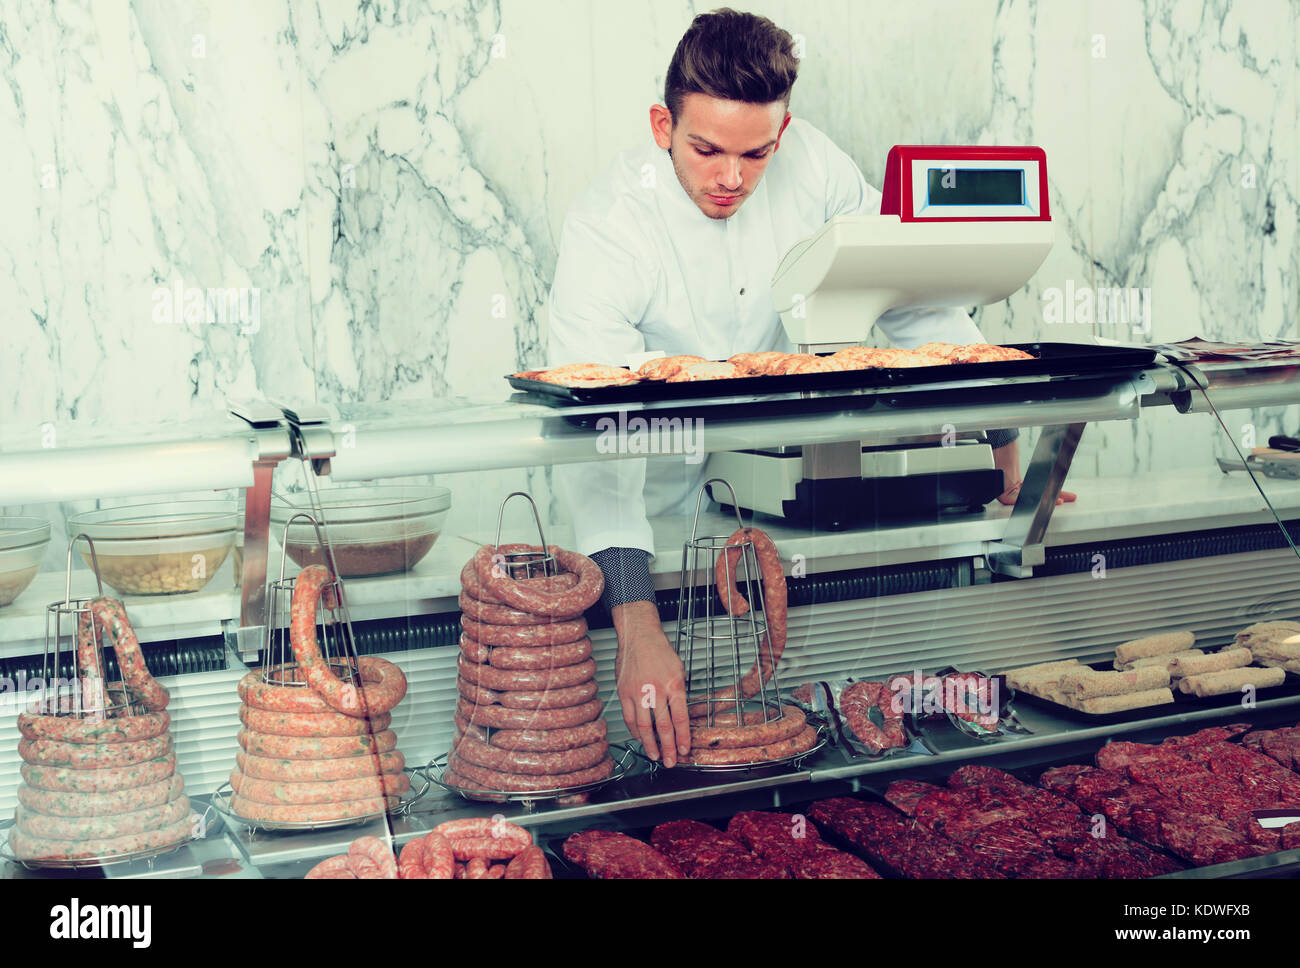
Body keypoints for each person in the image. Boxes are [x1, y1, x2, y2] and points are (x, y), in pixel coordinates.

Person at [547, 8, 1071, 767]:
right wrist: (635, 623)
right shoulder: (609, 223)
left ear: (784, 133)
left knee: (770, 748)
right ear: (663, 125)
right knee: (656, 754)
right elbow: (604, 428)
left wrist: (1000, 432)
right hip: (643, 530)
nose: (731, 178)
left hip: (769, 515)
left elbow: (912, 296)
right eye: (706, 150)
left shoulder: (817, 169)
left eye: (756, 153)